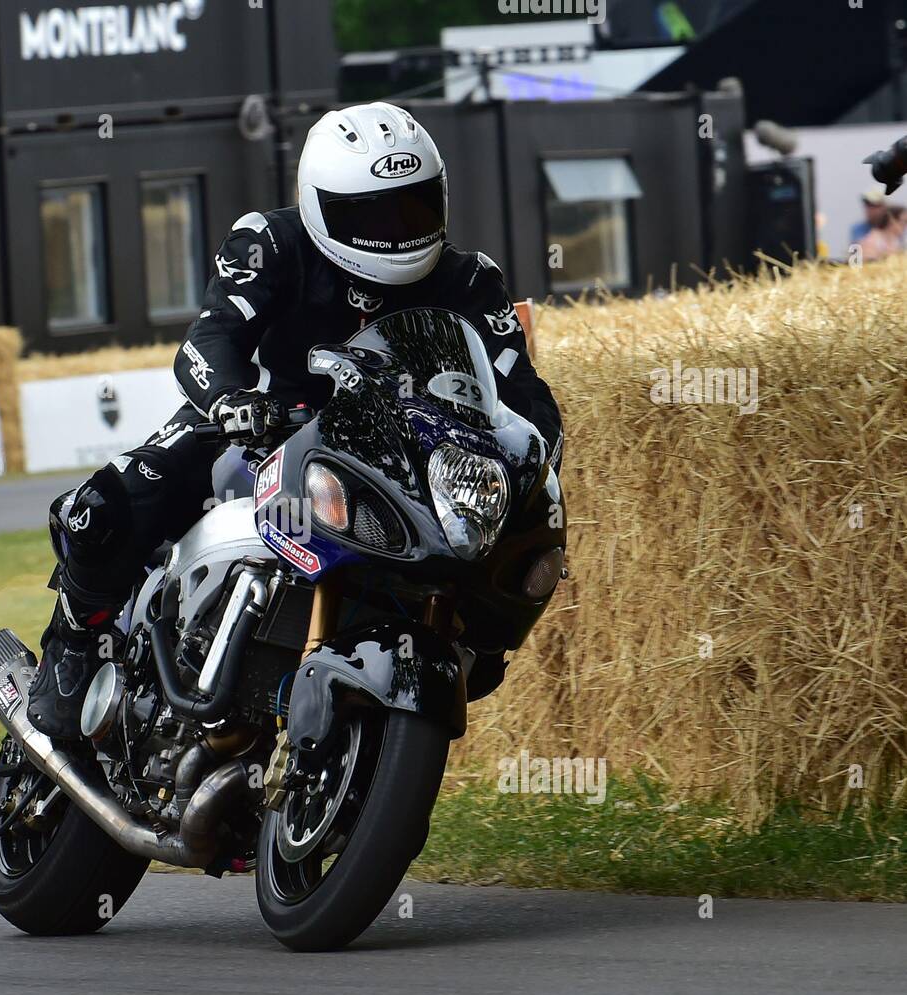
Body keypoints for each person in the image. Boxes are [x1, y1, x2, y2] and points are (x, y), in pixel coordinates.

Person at [28, 102, 563, 741]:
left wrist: (531, 452)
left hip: (392, 462)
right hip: (261, 425)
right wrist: (233, 400)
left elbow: (523, 392)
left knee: (515, 554)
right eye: (369, 214)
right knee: (101, 509)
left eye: (411, 208)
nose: (395, 230)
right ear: (317, 204)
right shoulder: (270, 242)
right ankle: (73, 645)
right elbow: (208, 341)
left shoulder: (472, 281)